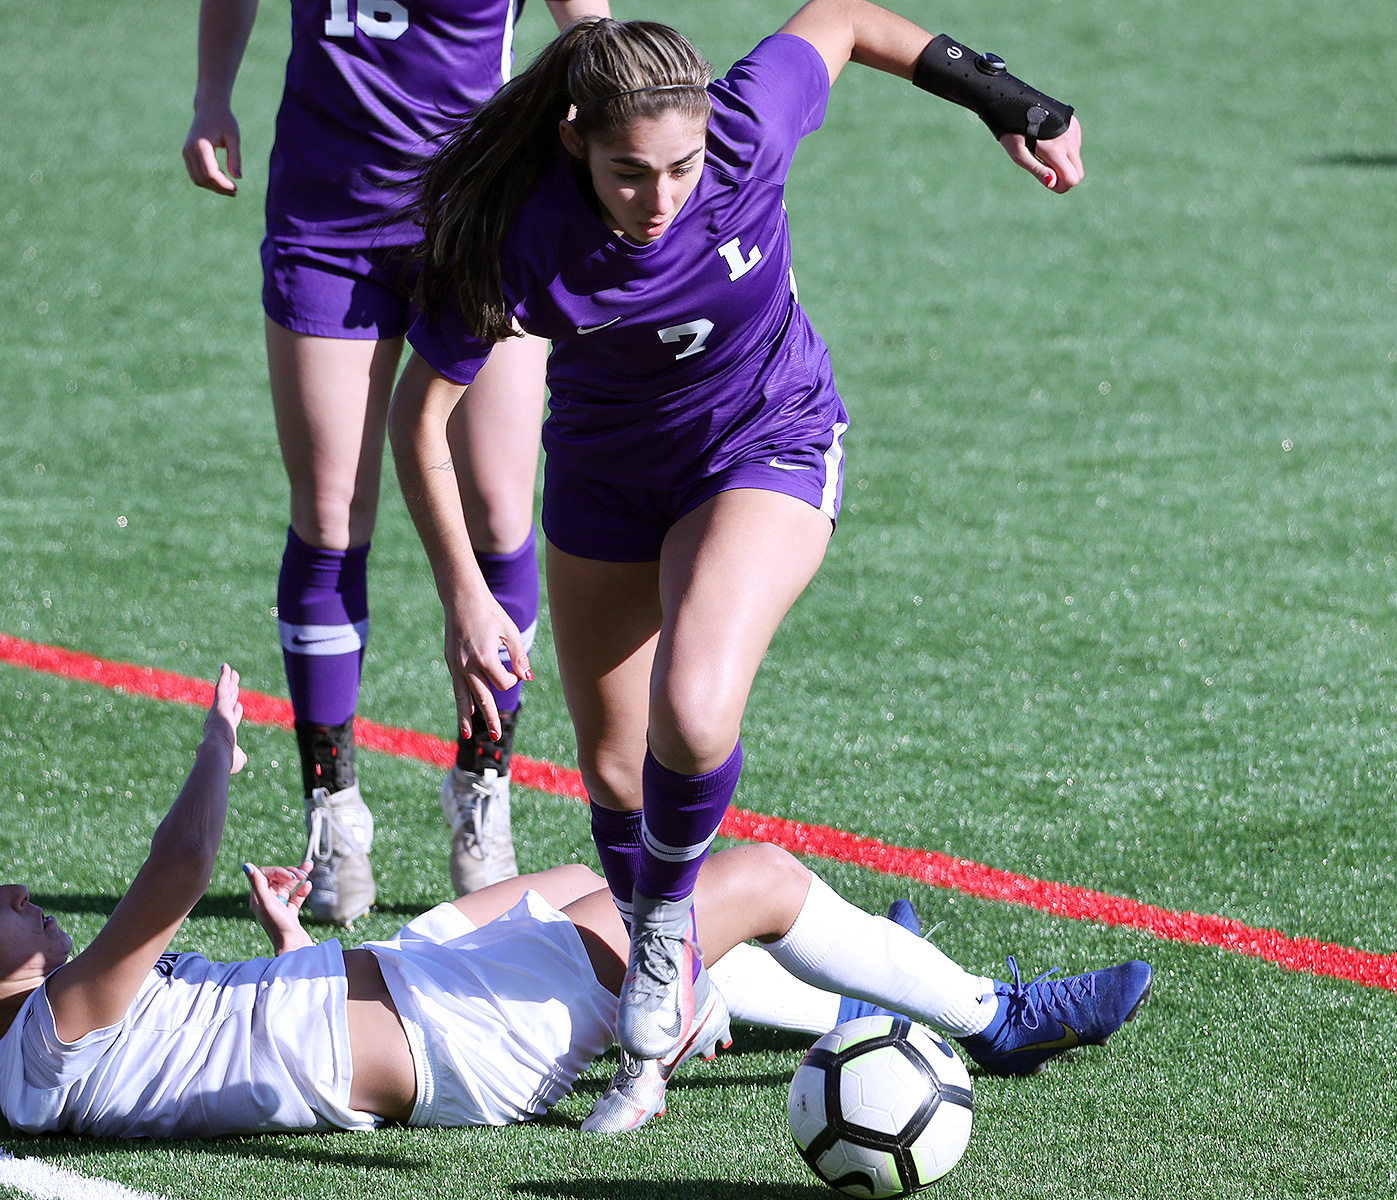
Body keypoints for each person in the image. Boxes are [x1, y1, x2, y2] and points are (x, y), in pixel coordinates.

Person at [387, 1, 1085, 1076]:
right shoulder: (517, 233)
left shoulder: (749, 126)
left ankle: (669, 954)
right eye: (629, 173)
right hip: (607, 480)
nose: (659, 198)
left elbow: (845, 20)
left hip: (768, 440)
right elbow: (418, 418)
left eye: (681, 166)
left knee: (694, 713)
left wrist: (1005, 99)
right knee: (617, 776)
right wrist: (466, 597)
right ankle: (722, 997)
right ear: (573, 137)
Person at [0, 667, 1153, 1137]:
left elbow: (237, 1045)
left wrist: (296, 941)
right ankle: (993, 1013)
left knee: (622, 888)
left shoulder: (52, 1048)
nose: (7, 891)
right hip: (457, 1040)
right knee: (749, 879)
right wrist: (213, 755)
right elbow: (169, 884)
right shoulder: (48, 1032)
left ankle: (813, 983)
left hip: (415, 990)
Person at [181, 0, 613, 920]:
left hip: (481, 220)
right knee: (331, 514)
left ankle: (481, 788)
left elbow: (592, 35)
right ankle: (333, 807)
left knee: (500, 512)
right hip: (327, 220)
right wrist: (212, 94)